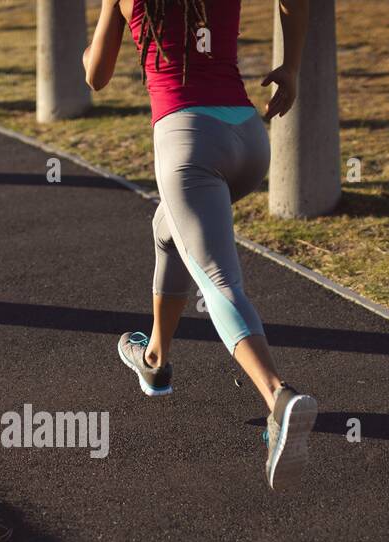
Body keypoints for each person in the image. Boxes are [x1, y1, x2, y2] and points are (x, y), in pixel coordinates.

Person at [83, 0, 317, 491]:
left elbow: (97, 75)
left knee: (217, 280)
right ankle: (155, 360)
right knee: (167, 229)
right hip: (247, 140)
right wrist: (291, 68)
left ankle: (278, 397)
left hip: (188, 144)